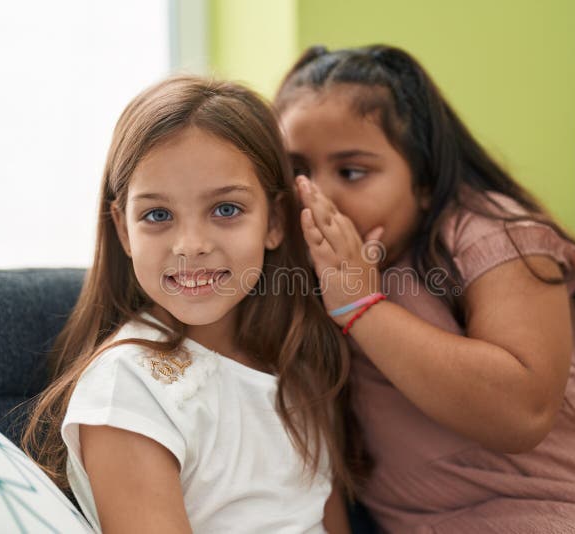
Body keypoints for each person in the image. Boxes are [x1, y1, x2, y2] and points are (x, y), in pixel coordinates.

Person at [275, 44, 575, 533]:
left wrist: (360, 306)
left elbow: (522, 413)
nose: (318, 197)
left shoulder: (488, 233)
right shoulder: (296, 285)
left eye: (352, 172)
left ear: (423, 181)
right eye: (296, 174)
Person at [22, 75, 352, 533]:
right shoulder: (129, 388)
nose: (191, 244)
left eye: (226, 210)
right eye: (157, 215)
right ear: (123, 230)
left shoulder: (299, 363)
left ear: (274, 221)